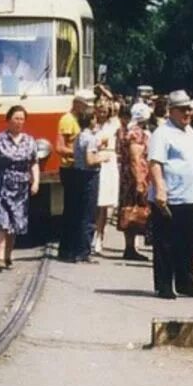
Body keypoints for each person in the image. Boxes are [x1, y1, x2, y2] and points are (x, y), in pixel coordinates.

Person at [147, 90, 193, 299]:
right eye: (183, 109)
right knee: (166, 244)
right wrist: (160, 188)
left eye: (190, 109)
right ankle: (164, 286)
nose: (188, 112)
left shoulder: (189, 132)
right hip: (169, 198)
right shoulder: (162, 133)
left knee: (187, 243)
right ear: (172, 111)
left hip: (190, 197)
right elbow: (155, 163)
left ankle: (186, 282)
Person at [0, 105, 40, 271]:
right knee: (1, 221)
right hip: (0, 186)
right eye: (16, 118)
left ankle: (9, 254)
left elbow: (34, 163)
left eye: (21, 119)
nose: (19, 122)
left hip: (20, 188)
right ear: (8, 120)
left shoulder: (30, 141)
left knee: (15, 223)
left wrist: (36, 182)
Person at [69, 96, 113, 263]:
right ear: (91, 120)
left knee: (79, 212)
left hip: (78, 174)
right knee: (89, 214)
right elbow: (90, 160)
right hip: (89, 176)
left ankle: (76, 249)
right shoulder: (92, 138)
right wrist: (104, 157)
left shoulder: (79, 136)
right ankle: (84, 251)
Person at [56, 90, 91, 260]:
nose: (87, 108)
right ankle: (67, 250)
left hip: (79, 169)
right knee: (71, 210)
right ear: (77, 103)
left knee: (79, 211)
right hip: (70, 170)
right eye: (85, 105)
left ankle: (77, 248)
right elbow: (59, 147)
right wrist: (78, 152)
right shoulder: (67, 120)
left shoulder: (79, 120)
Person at [117, 104, 151, 261]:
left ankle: (130, 247)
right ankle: (130, 248)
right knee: (133, 210)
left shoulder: (127, 130)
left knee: (129, 210)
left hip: (128, 177)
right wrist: (139, 181)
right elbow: (135, 157)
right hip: (134, 178)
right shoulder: (137, 133)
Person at [90, 98, 121, 256]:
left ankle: (99, 237)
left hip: (108, 161)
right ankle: (92, 234)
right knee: (94, 201)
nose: (101, 114)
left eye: (104, 111)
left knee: (103, 203)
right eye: (99, 111)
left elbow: (102, 139)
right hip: (95, 160)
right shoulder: (92, 124)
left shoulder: (113, 124)